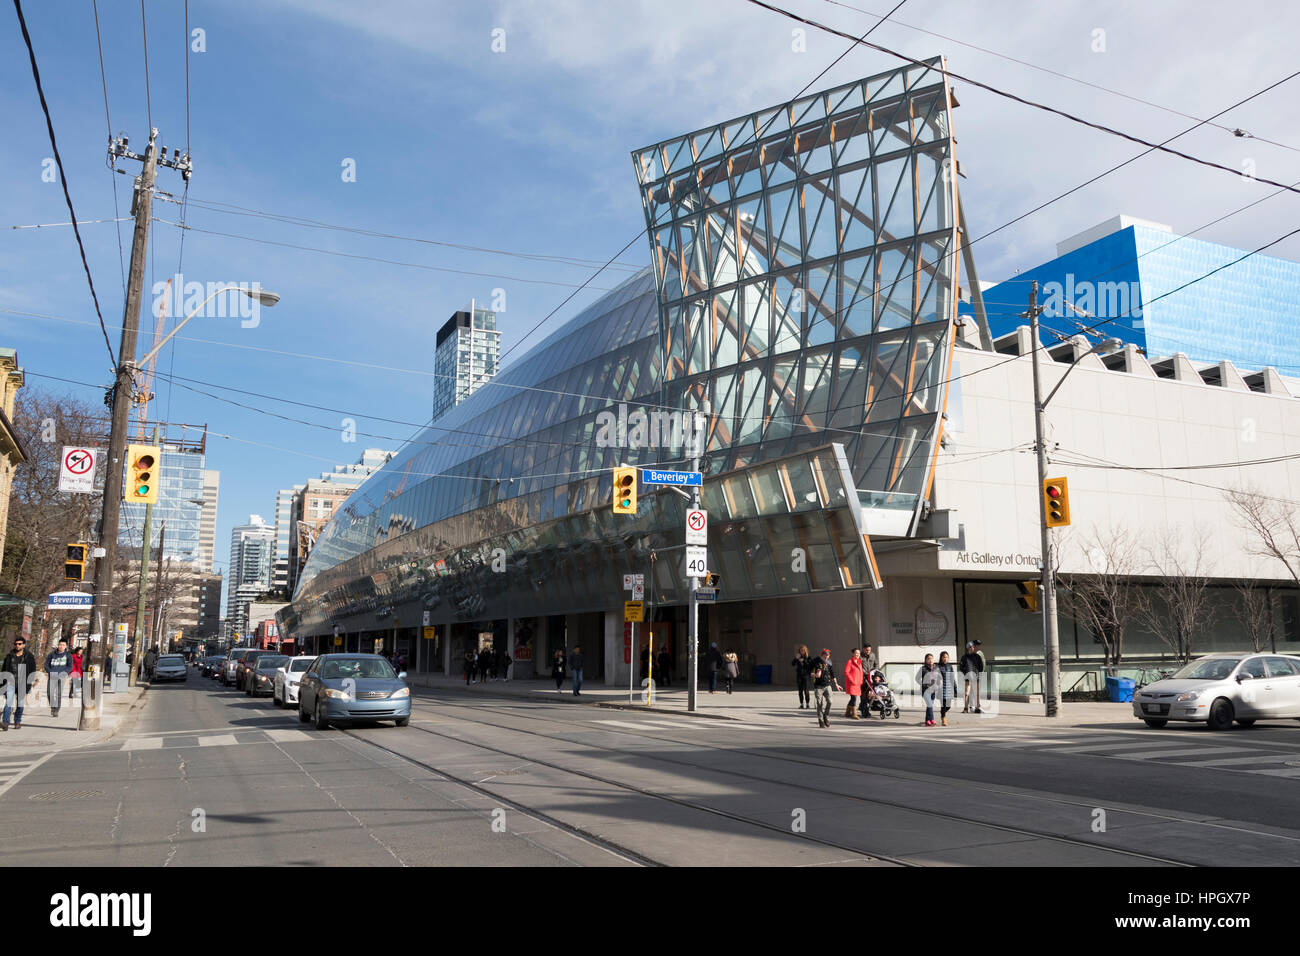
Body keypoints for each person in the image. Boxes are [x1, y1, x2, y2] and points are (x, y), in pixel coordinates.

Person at [2, 637, 38, 730]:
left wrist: (29, 684)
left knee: (20, 704)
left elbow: (32, 671)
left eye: (19, 644)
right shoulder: (9, 656)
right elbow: (4, 670)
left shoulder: (29, 656)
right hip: (10, 682)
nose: (17, 645)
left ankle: (17, 721)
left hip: (22, 683)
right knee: (8, 703)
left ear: (24, 645)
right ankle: (5, 723)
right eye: (16, 644)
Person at [810, 648, 840, 728]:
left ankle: (825, 716)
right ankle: (820, 720)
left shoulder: (829, 662)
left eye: (828, 655)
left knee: (830, 701)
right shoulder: (815, 661)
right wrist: (815, 675)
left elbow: (833, 674)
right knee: (819, 704)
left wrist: (836, 684)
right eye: (825, 655)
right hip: (818, 686)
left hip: (827, 685)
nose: (826, 657)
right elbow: (810, 673)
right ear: (822, 655)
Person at [44, 638, 74, 718]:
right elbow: (46, 664)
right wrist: (50, 672)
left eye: (63, 645)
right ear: (58, 645)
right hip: (52, 675)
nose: (61, 646)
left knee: (58, 694)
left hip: (62, 676)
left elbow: (70, 666)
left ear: (66, 646)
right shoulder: (52, 654)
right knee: (49, 692)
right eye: (60, 644)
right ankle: (53, 707)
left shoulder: (68, 655)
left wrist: (64, 673)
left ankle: (56, 710)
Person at [960, 640, 984, 713]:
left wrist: (977, 673)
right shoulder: (964, 657)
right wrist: (966, 672)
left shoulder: (978, 657)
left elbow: (981, 667)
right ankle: (965, 708)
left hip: (976, 677)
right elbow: (961, 667)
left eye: (974, 647)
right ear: (969, 648)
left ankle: (977, 708)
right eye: (972, 647)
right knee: (967, 693)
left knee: (977, 693)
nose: (974, 648)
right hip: (968, 677)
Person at [918, 653, 940, 726]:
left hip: (934, 690)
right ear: (925, 660)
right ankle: (932, 719)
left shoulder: (936, 668)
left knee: (929, 705)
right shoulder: (923, 669)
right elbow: (917, 678)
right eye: (928, 658)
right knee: (930, 705)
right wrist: (922, 684)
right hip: (925, 690)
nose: (930, 660)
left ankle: (927, 720)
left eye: (932, 658)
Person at [843, 647, 864, 720]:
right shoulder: (850, 662)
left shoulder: (859, 662)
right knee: (854, 698)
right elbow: (846, 672)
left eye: (859, 653)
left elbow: (861, 672)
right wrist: (852, 680)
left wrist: (861, 680)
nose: (857, 654)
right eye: (856, 653)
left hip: (857, 683)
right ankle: (854, 714)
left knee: (853, 698)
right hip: (852, 683)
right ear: (853, 654)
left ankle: (847, 712)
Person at [938, 651, 957, 726]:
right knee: (944, 704)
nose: (945, 658)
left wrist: (955, 688)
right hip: (941, 688)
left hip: (949, 688)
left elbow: (953, 678)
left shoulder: (950, 666)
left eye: (946, 657)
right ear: (941, 658)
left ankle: (942, 712)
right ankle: (943, 719)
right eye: (944, 657)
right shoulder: (938, 666)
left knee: (948, 706)